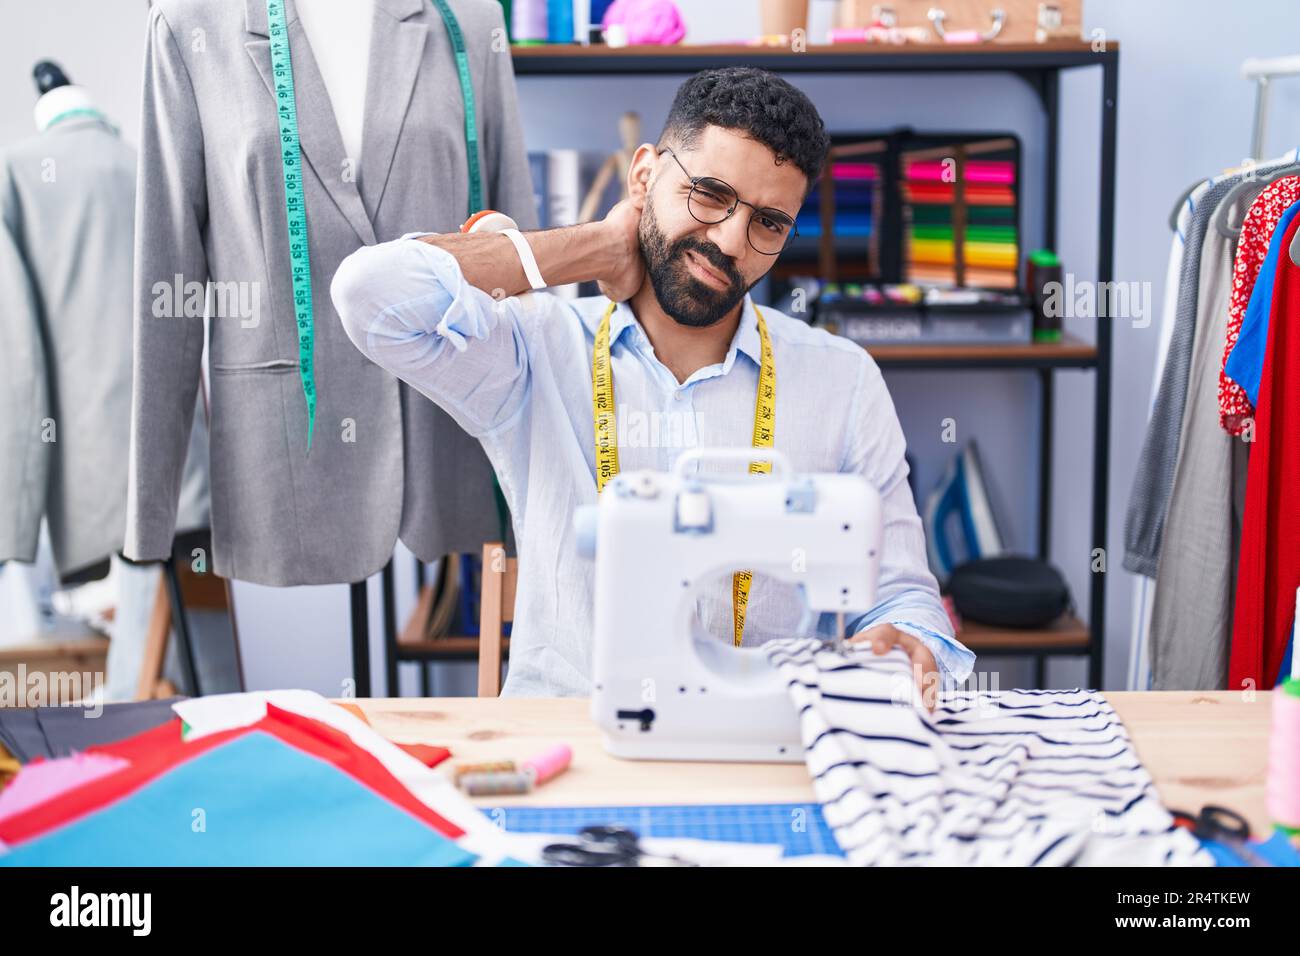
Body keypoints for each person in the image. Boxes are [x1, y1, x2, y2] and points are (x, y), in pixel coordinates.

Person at [331, 66, 974, 700]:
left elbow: (902, 594)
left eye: (769, 224)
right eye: (711, 194)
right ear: (644, 175)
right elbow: (369, 295)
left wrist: (903, 639)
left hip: (761, 737)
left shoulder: (843, 379)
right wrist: (595, 246)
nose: (730, 240)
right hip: (572, 741)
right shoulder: (534, 349)